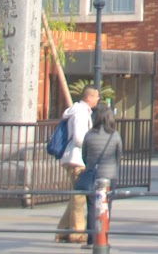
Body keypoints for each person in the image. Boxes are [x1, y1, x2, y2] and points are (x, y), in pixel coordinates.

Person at [55, 85, 101, 243]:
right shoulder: (80, 113)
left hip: (74, 158)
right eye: (96, 96)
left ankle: (63, 230)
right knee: (79, 197)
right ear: (89, 97)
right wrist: (92, 146)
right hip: (77, 159)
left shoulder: (80, 111)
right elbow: (79, 138)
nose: (98, 99)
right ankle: (77, 232)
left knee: (77, 196)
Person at [78, 101, 124, 237]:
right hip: (110, 176)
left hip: (93, 175)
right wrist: (113, 167)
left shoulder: (89, 135)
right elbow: (119, 155)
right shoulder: (115, 135)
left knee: (92, 206)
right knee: (106, 206)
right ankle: (103, 236)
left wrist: (90, 165)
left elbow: (84, 155)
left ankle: (91, 238)